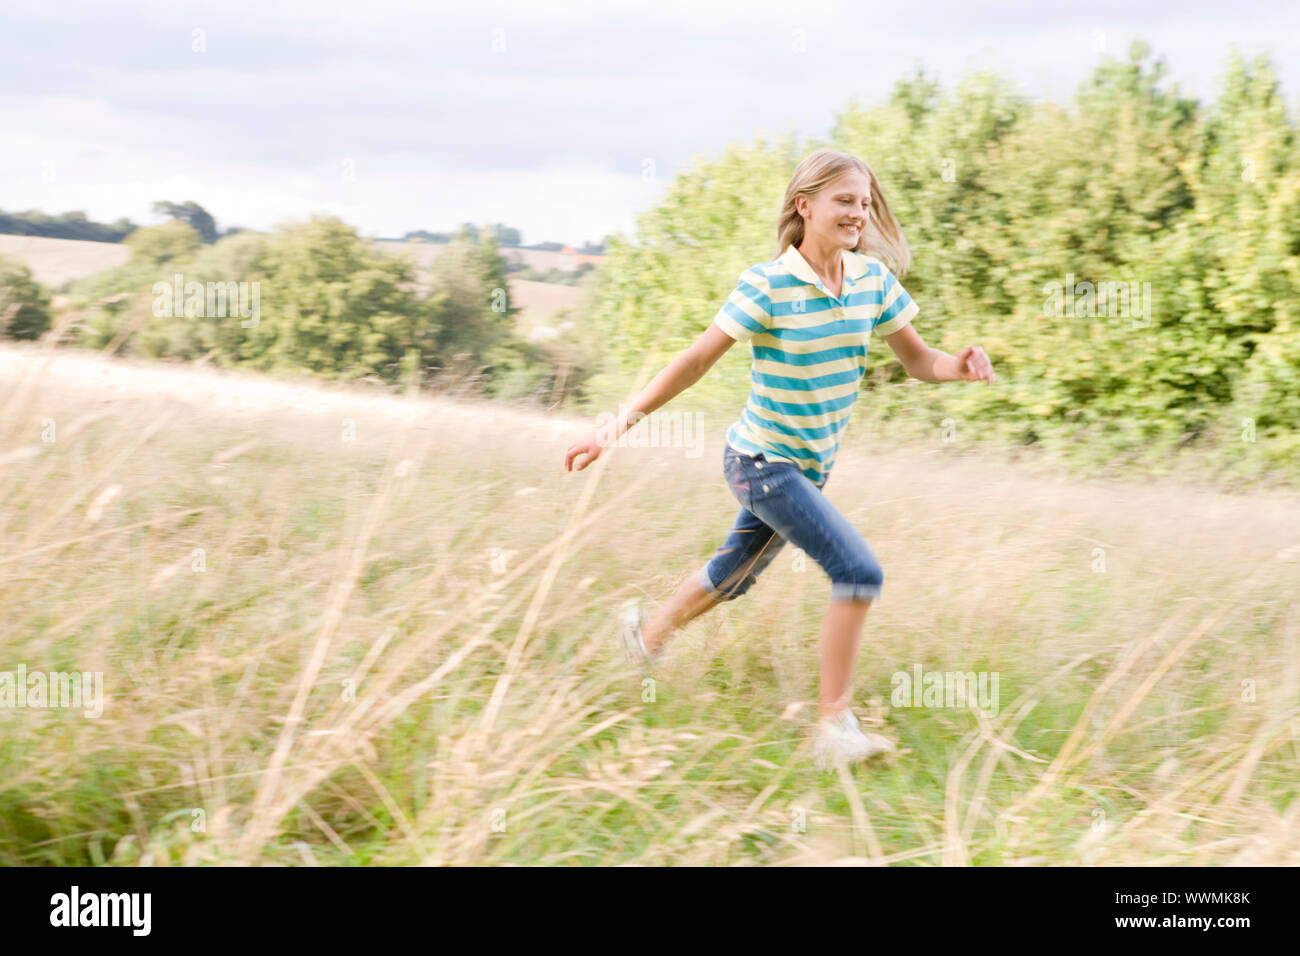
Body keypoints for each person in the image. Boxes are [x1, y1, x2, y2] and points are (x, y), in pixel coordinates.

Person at [563, 148, 995, 768]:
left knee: (734, 575)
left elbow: (919, 361)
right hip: (760, 461)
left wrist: (958, 366)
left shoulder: (873, 282)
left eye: (865, 203)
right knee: (858, 573)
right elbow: (695, 362)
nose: (858, 213)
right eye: (845, 200)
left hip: (809, 469)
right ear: (806, 205)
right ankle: (833, 730)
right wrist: (616, 425)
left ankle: (646, 634)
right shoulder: (767, 285)